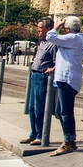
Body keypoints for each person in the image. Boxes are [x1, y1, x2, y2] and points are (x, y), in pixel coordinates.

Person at [43, 16, 83, 155]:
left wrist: (58, 24)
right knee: (59, 111)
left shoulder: (73, 38)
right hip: (65, 78)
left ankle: (69, 142)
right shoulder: (76, 39)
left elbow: (49, 36)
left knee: (66, 112)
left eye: (65, 27)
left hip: (67, 79)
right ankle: (69, 139)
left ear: (67, 28)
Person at [20, 18, 57, 146]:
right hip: (34, 75)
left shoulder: (53, 44)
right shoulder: (42, 43)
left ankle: (41, 135)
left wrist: (52, 70)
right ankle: (33, 133)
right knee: (31, 107)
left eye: (40, 28)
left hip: (43, 77)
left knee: (40, 108)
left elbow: (58, 62)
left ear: (48, 29)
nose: (38, 30)